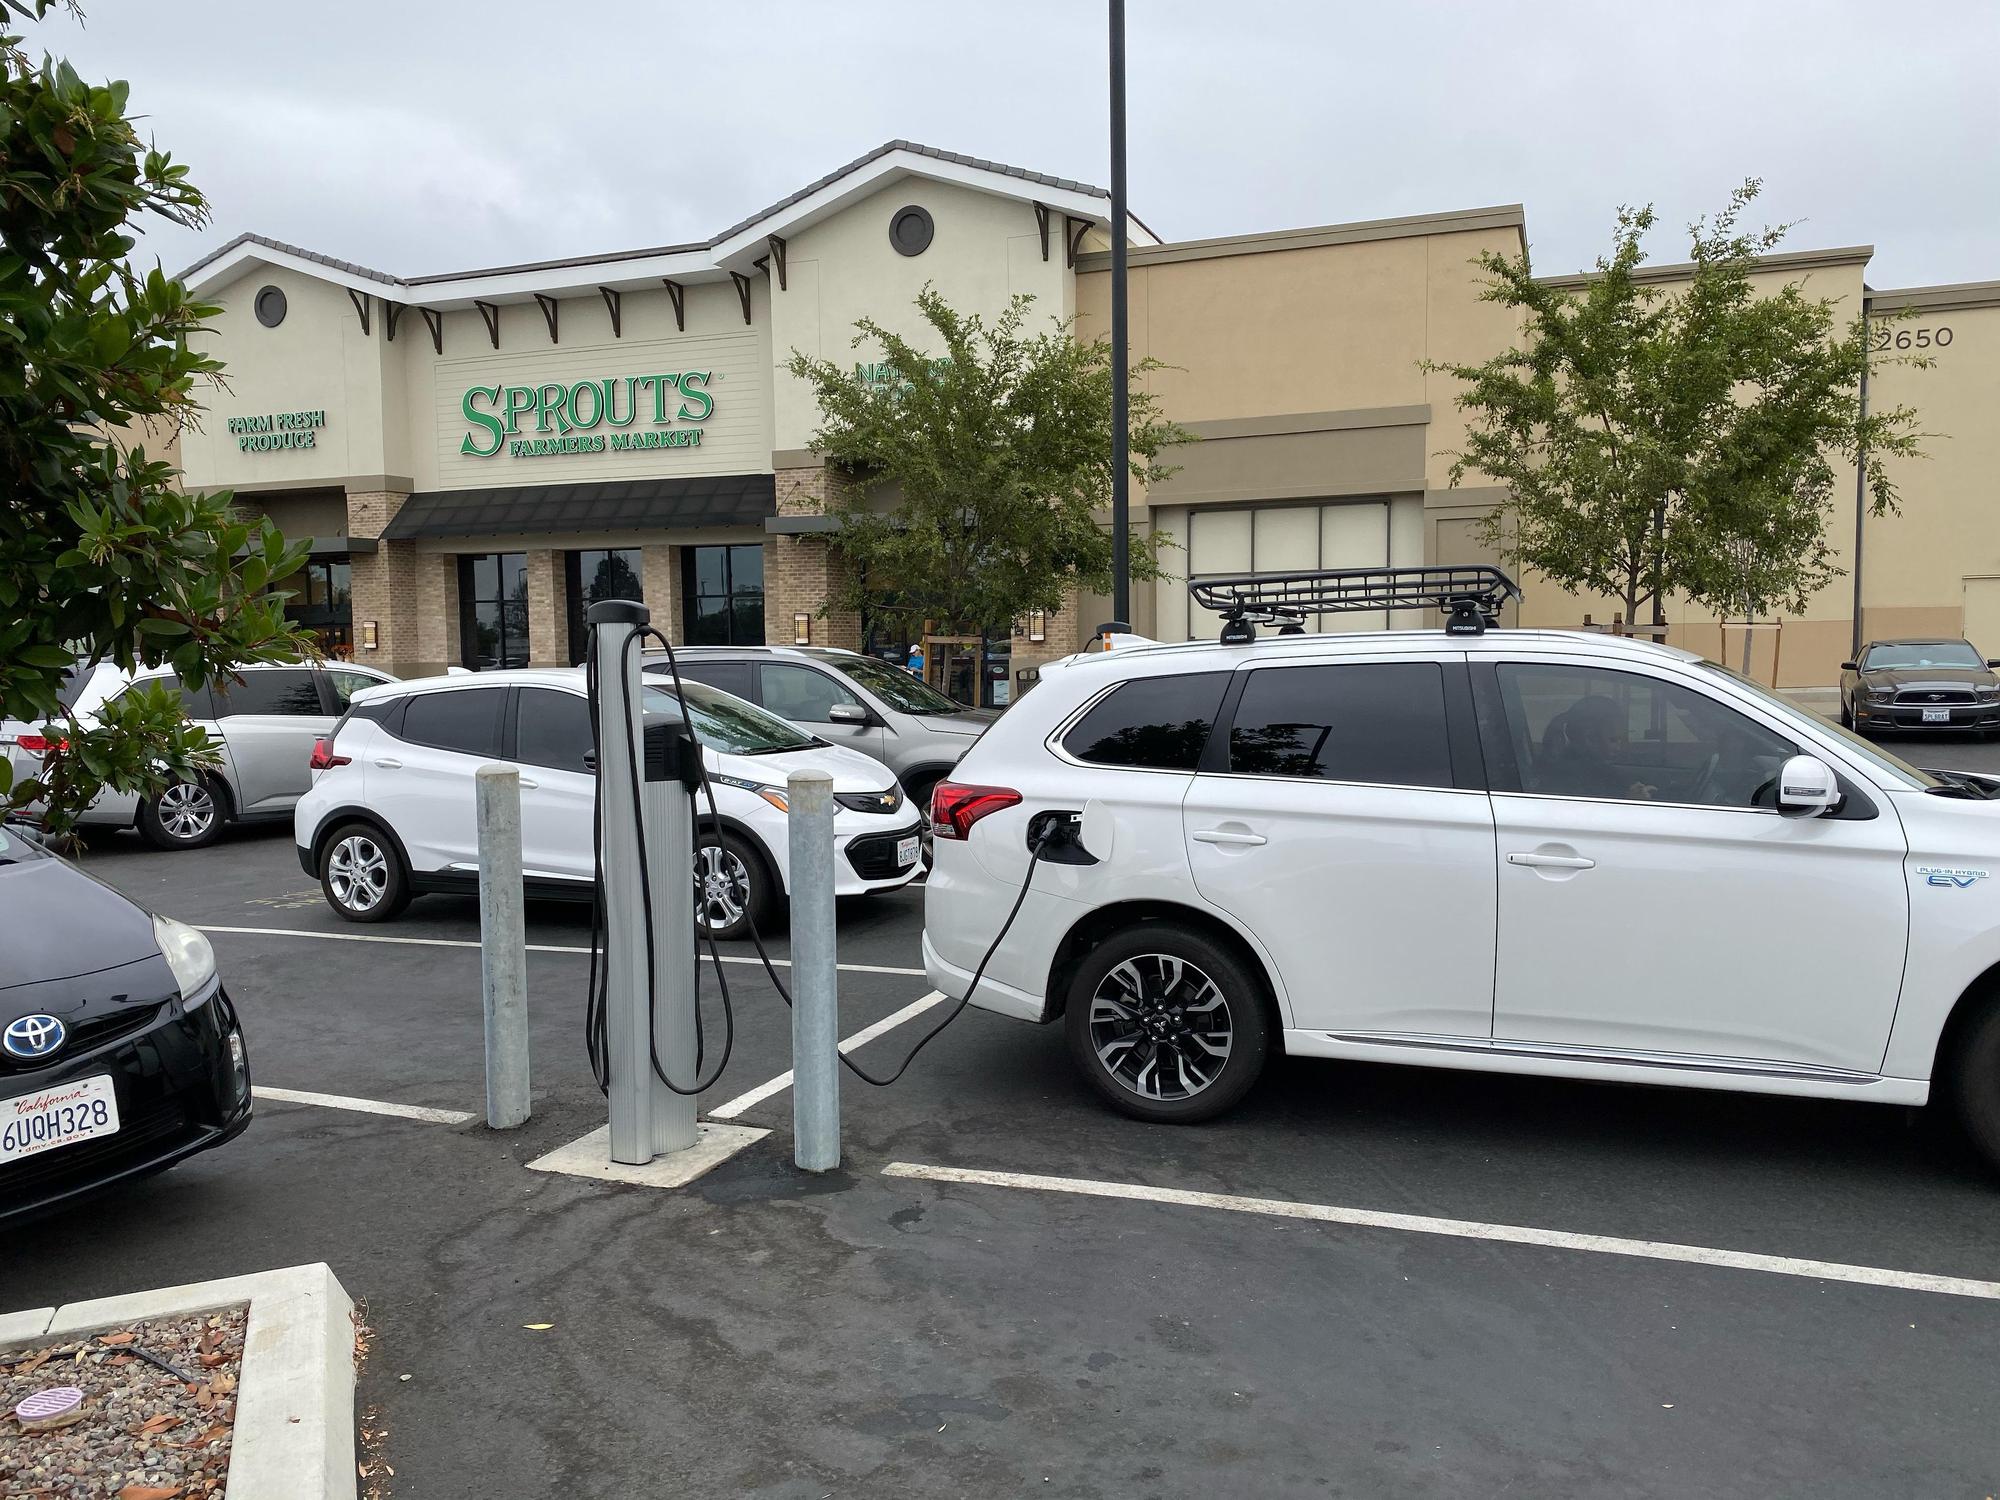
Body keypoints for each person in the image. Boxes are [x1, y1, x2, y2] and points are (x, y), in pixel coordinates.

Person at [1544, 695, 1657, 800]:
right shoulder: (1574, 776)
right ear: (1590, 738)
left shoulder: (1594, 768)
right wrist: (1630, 800)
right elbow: (1591, 812)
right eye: (1613, 740)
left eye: (1622, 739)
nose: (1619, 747)